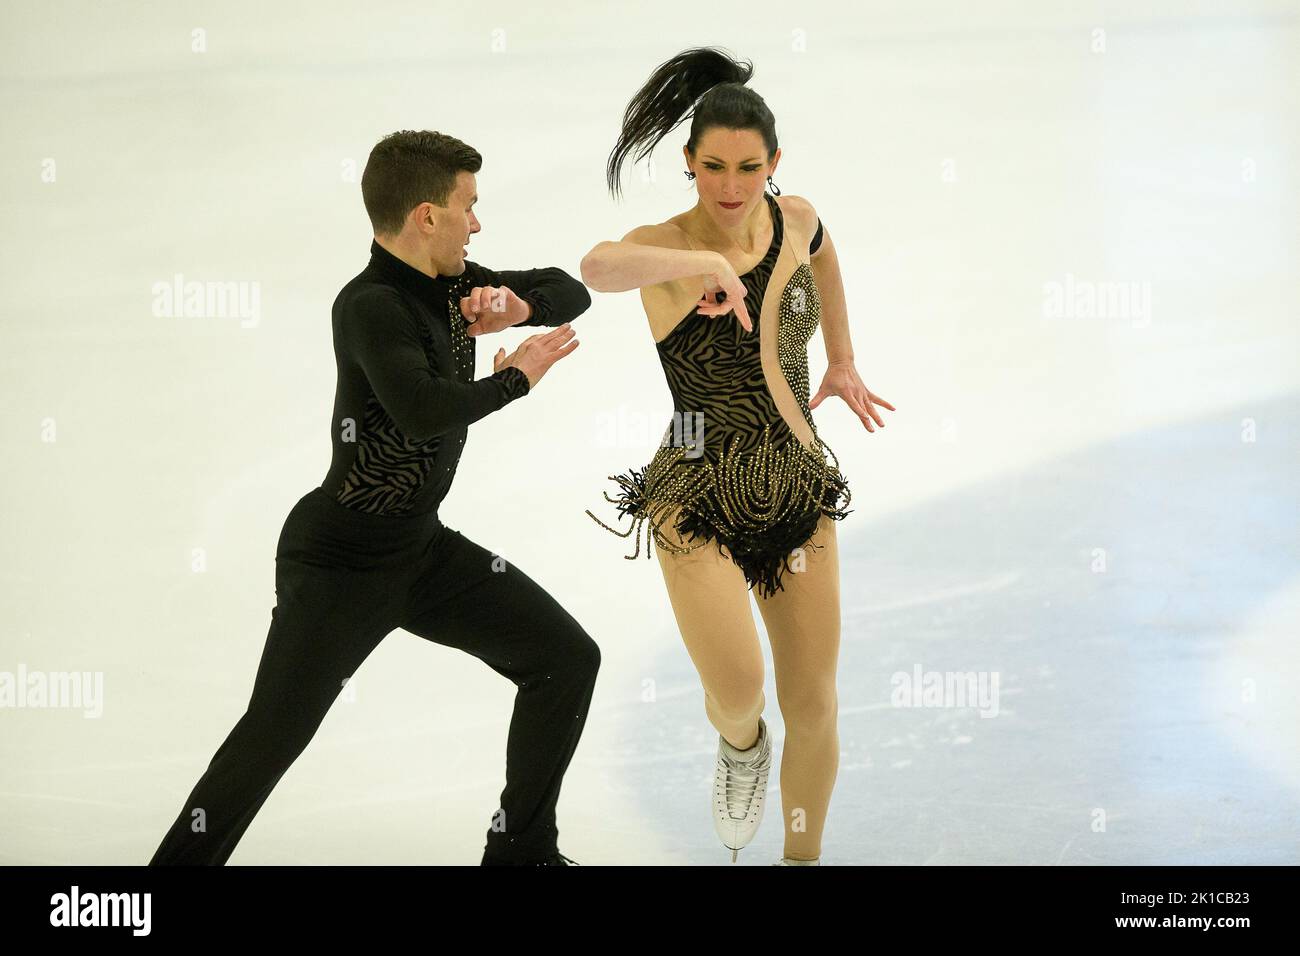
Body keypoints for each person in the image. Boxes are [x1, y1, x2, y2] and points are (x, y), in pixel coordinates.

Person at [150, 129, 598, 866]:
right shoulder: (369, 306)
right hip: (339, 563)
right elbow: (421, 410)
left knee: (566, 659)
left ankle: (522, 854)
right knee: (270, 739)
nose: (477, 224)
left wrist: (517, 306)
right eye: (468, 207)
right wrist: (515, 377)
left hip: (420, 551)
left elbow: (570, 289)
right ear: (427, 216)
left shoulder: (458, 286)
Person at [581, 48, 895, 865]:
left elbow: (824, 252)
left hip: (795, 481)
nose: (730, 186)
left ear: (774, 163)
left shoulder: (797, 219)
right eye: (713, 167)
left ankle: (800, 858)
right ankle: (741, 743)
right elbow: (597, 266)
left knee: (815, 703)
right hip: (694, 486)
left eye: (749, 168)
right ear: (688, 162)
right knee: (741, 690)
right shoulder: (664, 247)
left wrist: (842, 358)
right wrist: (706, 262)